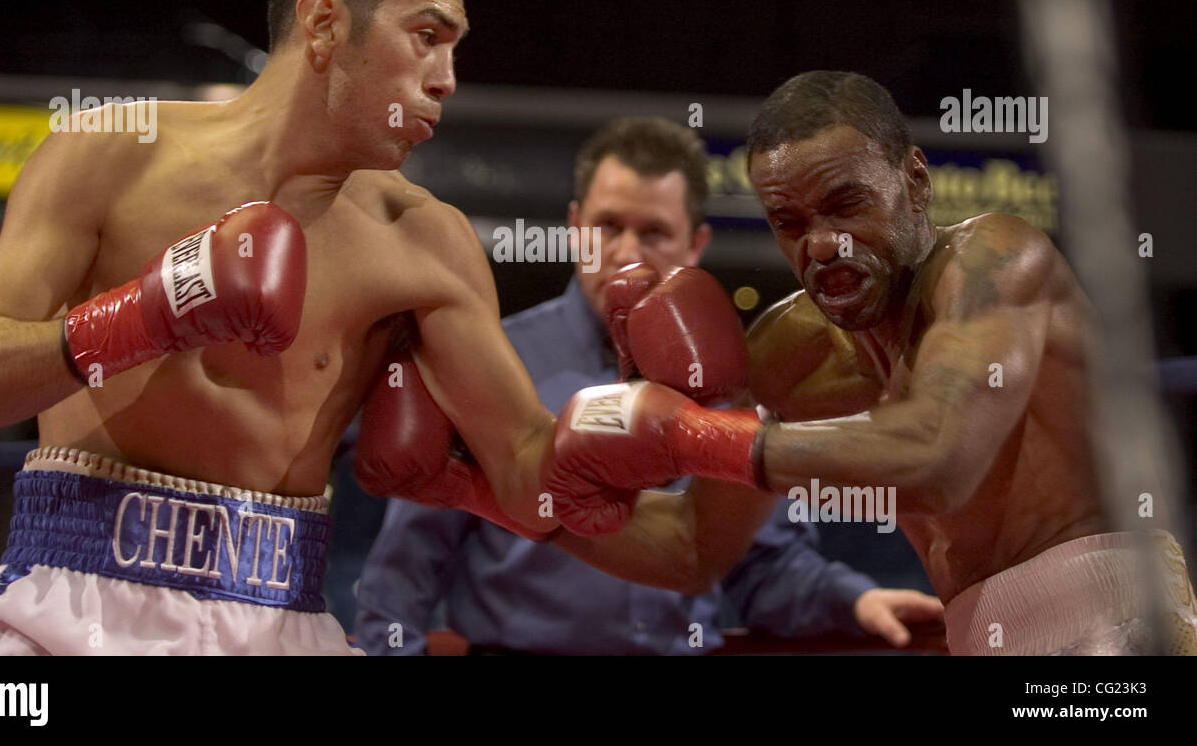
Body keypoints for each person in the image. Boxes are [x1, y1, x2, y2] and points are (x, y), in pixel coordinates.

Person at [0, 0, 566, 655]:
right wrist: (146, 316)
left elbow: (530, 471)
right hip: (70, 602)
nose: (447, 80)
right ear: (323, 24)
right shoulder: (110, 152)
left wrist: (669, 455)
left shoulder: (426, 242)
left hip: (283, 618)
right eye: (427, 37)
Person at [545, 71, 1197, 656]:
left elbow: (941, 456)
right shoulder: (791, 350)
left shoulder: (996, 260)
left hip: (1116, 618)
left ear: (916, 181)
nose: (822, 244)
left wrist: (695, 437)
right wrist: (528, 500)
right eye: (789, 222)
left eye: (846, 204)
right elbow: (694, 544)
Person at [353, 118, 940, 655]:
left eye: (655, 232)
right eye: (608, 226)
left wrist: (852, 600)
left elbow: (759, 563)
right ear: (576, 227)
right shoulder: (493, 358)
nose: (627, 253)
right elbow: (405, 570)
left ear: (695, 245)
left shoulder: (732, 376)